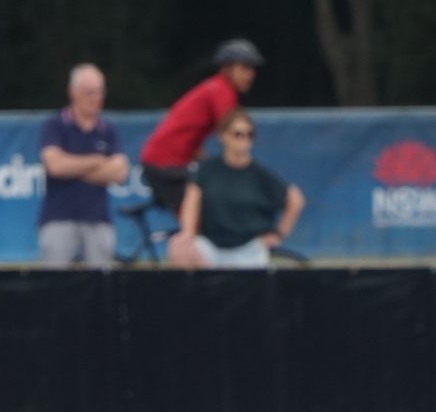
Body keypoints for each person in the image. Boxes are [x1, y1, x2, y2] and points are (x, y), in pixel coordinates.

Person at [167, 109, 304, 269]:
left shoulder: (259, 174)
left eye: (249, 135)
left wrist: (279, 234)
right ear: (222, 136)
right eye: (238, 134)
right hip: (212, 245)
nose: (244, 139)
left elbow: (295, 199)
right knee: (179, 247)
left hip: (248, 247)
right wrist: (188, 233)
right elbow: (192, 200)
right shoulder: (207, 169)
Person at [138, 38, 263, 213]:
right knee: (201, 216)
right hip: (166, 165)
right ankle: (189, 238)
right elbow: (233, 136)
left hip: (164, 162)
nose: (250, 75)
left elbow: (197, 144)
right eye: (244, 68)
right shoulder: (222, 91)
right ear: (227, 68)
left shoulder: (215, 88)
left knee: (204, 209)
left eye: (252, 69)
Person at [37, 64, 130, 266]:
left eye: (100, 92)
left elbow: (120, 172)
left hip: (98, 218)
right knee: (54, 284)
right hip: (59, 217)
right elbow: (55, 166)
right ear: (73, 93)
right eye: (89, 92)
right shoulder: (55, 125)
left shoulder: (108, 130)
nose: (96, 98)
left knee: (101, 284)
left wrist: (72, 166)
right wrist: (97, 161)